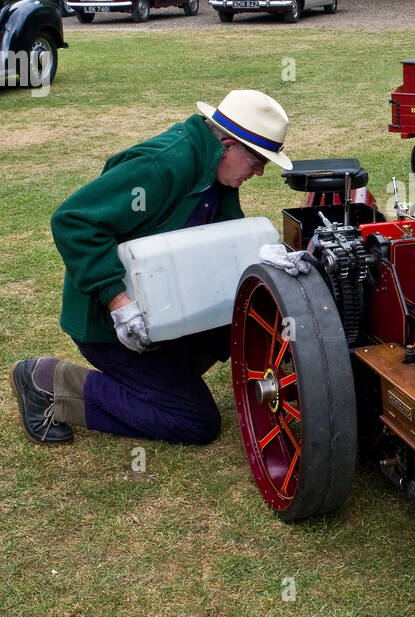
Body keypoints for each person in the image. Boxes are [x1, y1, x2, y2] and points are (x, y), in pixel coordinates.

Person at [10, 91, 294, 448]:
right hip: (111, 323)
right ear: (226, 144)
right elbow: (74, 221)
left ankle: (165, 376)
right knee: (194, 421)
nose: (259, 171)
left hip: (164, 308)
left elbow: (225, 236)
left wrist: (267, 255)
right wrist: (118, 302)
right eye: (256, 161)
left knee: (243, 322)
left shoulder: (214, 172)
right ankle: (48, 382)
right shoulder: (163, 166)